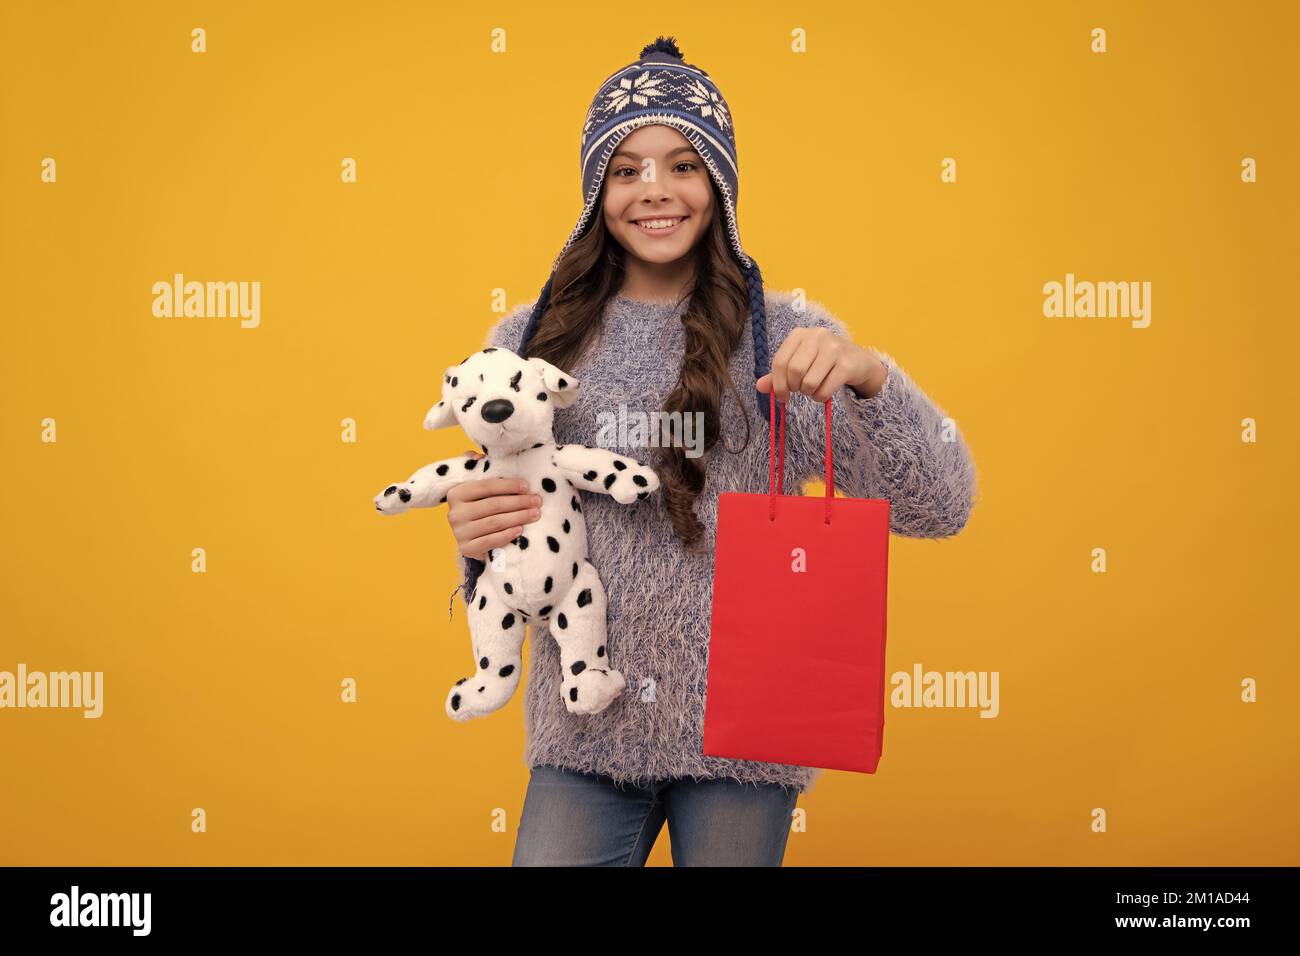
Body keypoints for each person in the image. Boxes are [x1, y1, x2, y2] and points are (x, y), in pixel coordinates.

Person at [443, 36, 979, 866]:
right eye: (626, 169)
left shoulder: (785, 337)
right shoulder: (529, 342)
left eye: (683, 164)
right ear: (597, 193)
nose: (654, 189)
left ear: (719, 184)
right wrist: (473, 539)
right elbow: (508, 551)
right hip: (586, 730)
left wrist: (873, 379)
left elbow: (940, 508)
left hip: (744, 739)